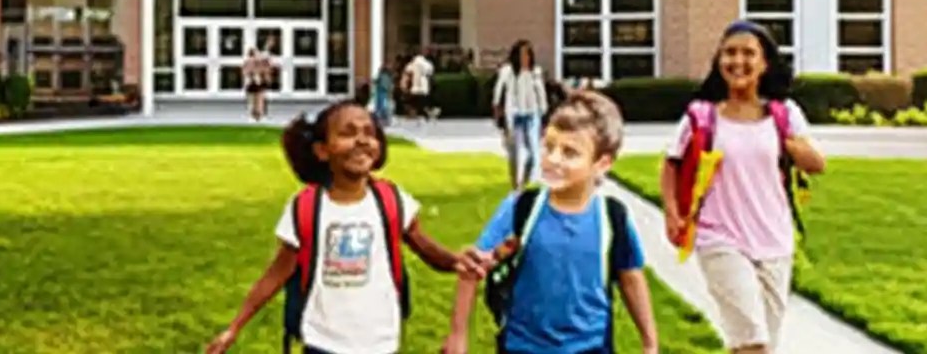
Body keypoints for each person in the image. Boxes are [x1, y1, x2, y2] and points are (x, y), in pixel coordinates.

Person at [205, 99, 487, 354]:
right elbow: (276, 274)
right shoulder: (306, 207)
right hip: (323, 342)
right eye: (347, 133)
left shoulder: (392, 200)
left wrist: (455, 261)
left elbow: (424, 246)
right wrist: (235, 327)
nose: (361, 140)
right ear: (322, 150)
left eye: (369, 132)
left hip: (381, 343)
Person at [443, 90, 660, 354]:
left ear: (602, 163)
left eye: (570, 153)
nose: (553, 160)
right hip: (523, 346)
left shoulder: (612, 218)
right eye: (548, 147)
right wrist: (458, 335)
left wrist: (650, 343)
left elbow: (631, 278)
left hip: (590, 347)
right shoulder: (522, 209)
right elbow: (472, 268)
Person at [659, 20, 826, 354]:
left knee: (750, 345)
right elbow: (671, 163)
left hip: (774, 242)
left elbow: (816, 164)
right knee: (754, 342)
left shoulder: (784, 114)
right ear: (719, 61)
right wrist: (672, 213)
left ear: (765, 63)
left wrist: (790, 145)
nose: (738, 61)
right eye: (729, 53)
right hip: (720, 239)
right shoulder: (702, 116)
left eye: (748, 53)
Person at [491, 39, 549, 191]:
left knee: (533, 154)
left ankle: (523, 182)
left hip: (532, 114)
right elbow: (498, 91)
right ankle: (515, 185)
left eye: (528, 54)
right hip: (514, 115)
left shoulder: (535, 72)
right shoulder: (508, 71)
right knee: (514, 154)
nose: (525, 57)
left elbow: (540, 93)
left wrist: (543, 113)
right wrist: (497, 109)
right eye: (523, 54)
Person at [401, 47, 435, 125]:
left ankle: (415, 115)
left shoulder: (412, 64)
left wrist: (404, 85)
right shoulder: (427, 64)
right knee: (423, 103)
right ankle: (425, 115)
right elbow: (430, 74)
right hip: (424, 87)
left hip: (415, 87)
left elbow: (407, 72)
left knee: (414, 103)